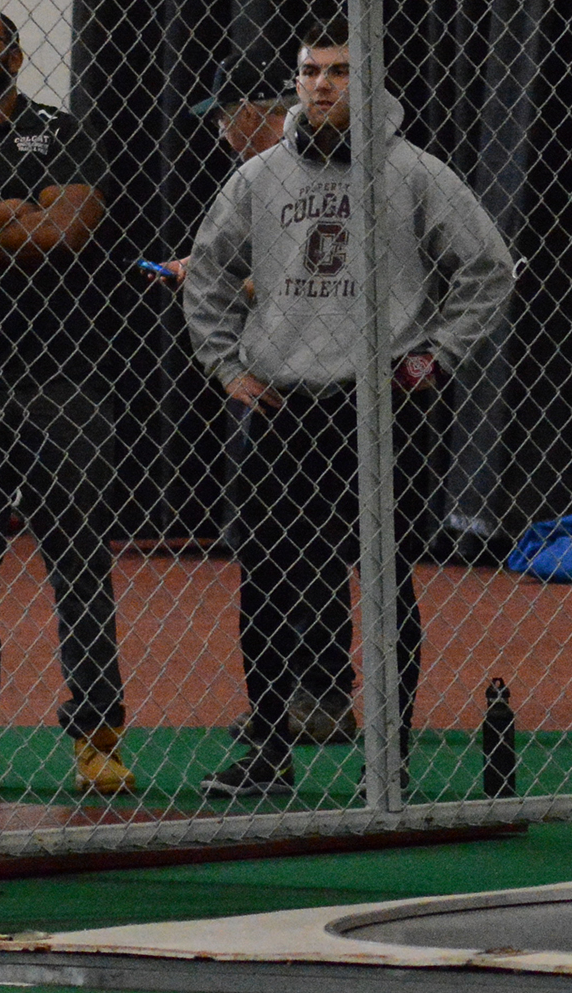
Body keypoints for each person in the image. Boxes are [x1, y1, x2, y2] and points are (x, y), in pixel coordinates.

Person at [184, 18, 515, 797]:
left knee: (387, 579)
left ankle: (388, 758)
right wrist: (225, 363)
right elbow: (207, 271)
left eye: (338, 71)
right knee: (263, 580)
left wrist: (437, 355)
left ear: (368, 85)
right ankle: (267, 749)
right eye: (309, 71)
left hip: (383, 413)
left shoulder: (413, 173)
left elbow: (488, 268)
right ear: (295, 82)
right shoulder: (260, 177)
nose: (322, 84)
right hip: (282, 409)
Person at [0, 5, 136, 796]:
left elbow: (65, 231)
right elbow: (27, 224)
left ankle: (96, 735)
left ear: (16, 56)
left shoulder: (61, 132)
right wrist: (1, 213)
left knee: (77, 560)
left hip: (63, 383)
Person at [163, 58, 360, 750]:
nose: (219, 131)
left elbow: (318, 279)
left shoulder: (312, 174)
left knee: (306, 546)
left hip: (312, 391)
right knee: (276, 551)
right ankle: (291, 704)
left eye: (225, 115)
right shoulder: (259, 179)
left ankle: (319, 696)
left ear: (254, 110)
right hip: (268, 384)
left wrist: (215, 281)